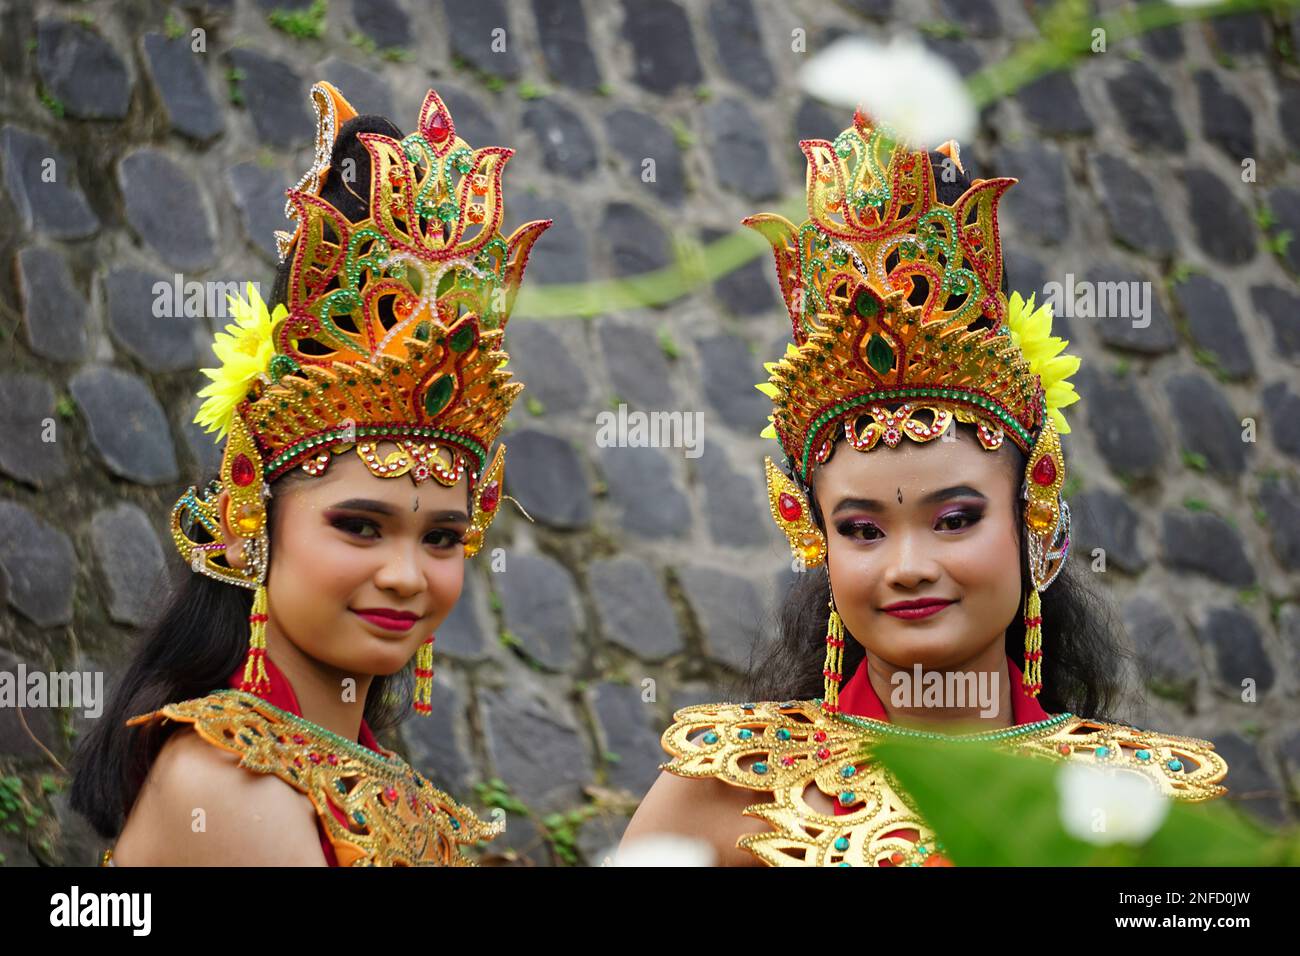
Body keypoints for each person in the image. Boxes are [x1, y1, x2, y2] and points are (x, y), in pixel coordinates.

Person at [621, 109, 1228, 867]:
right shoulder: (720, 796)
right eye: (863, 530)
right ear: (809, 532)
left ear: (1036, 513)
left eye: (954, 519)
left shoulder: (1145, 810)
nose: (907, 565)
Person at [69, 82, 550, 866]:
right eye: (359, 525)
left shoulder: (364, 778)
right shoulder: (227, 785)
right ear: (253, 512)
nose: (405, 575)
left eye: (440, 537)